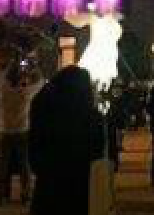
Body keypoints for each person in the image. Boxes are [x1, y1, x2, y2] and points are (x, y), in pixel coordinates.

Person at [29, 65, 108, 215]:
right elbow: (97, 154)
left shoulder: (44, 108)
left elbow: (34, 148)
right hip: (80, 185)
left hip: (49, 185)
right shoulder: (92, 117)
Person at [0, 62, 43, 206]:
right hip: (22, 131)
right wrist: (33, 68)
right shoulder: (25, 93)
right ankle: (26, 195)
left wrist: (9, 68)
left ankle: (0, 195)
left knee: (3, 166)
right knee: (24, 166)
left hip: (5, 131)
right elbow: (40, 82)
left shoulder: (3, 90)